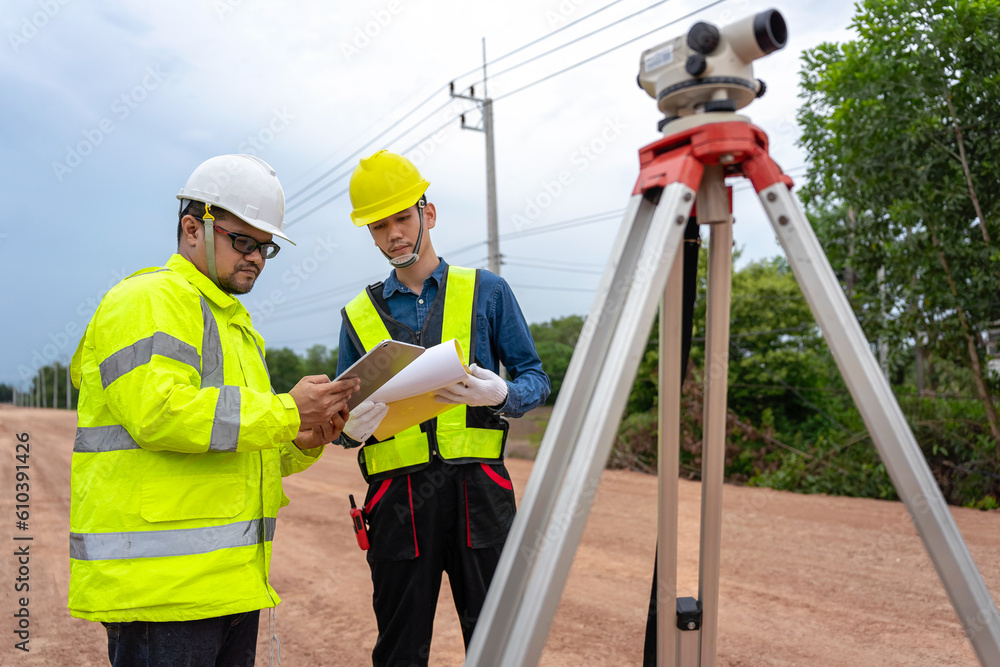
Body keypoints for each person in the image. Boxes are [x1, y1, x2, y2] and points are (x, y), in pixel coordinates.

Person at [69, 153, 360, 667]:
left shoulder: (233, 325)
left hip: (228, 587)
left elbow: (235, 443)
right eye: (242, 241)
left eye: (265, 247)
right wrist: (287, 412)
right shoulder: (149, 299)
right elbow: (159, 413)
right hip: (162, 592)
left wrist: (300, 439)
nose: (256, 258)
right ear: (190, 228)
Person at [335, 150, 551, 666]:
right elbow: (340, 424)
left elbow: (536, 379)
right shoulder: (356, 315)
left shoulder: (487, 292)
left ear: (427, 213)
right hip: (395, 504)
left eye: (403, 218)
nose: (395, 235)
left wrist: (502, 394)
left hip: (481, 495)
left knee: (498, 645)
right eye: (379, 226)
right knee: (399, 651)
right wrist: (350, 429)